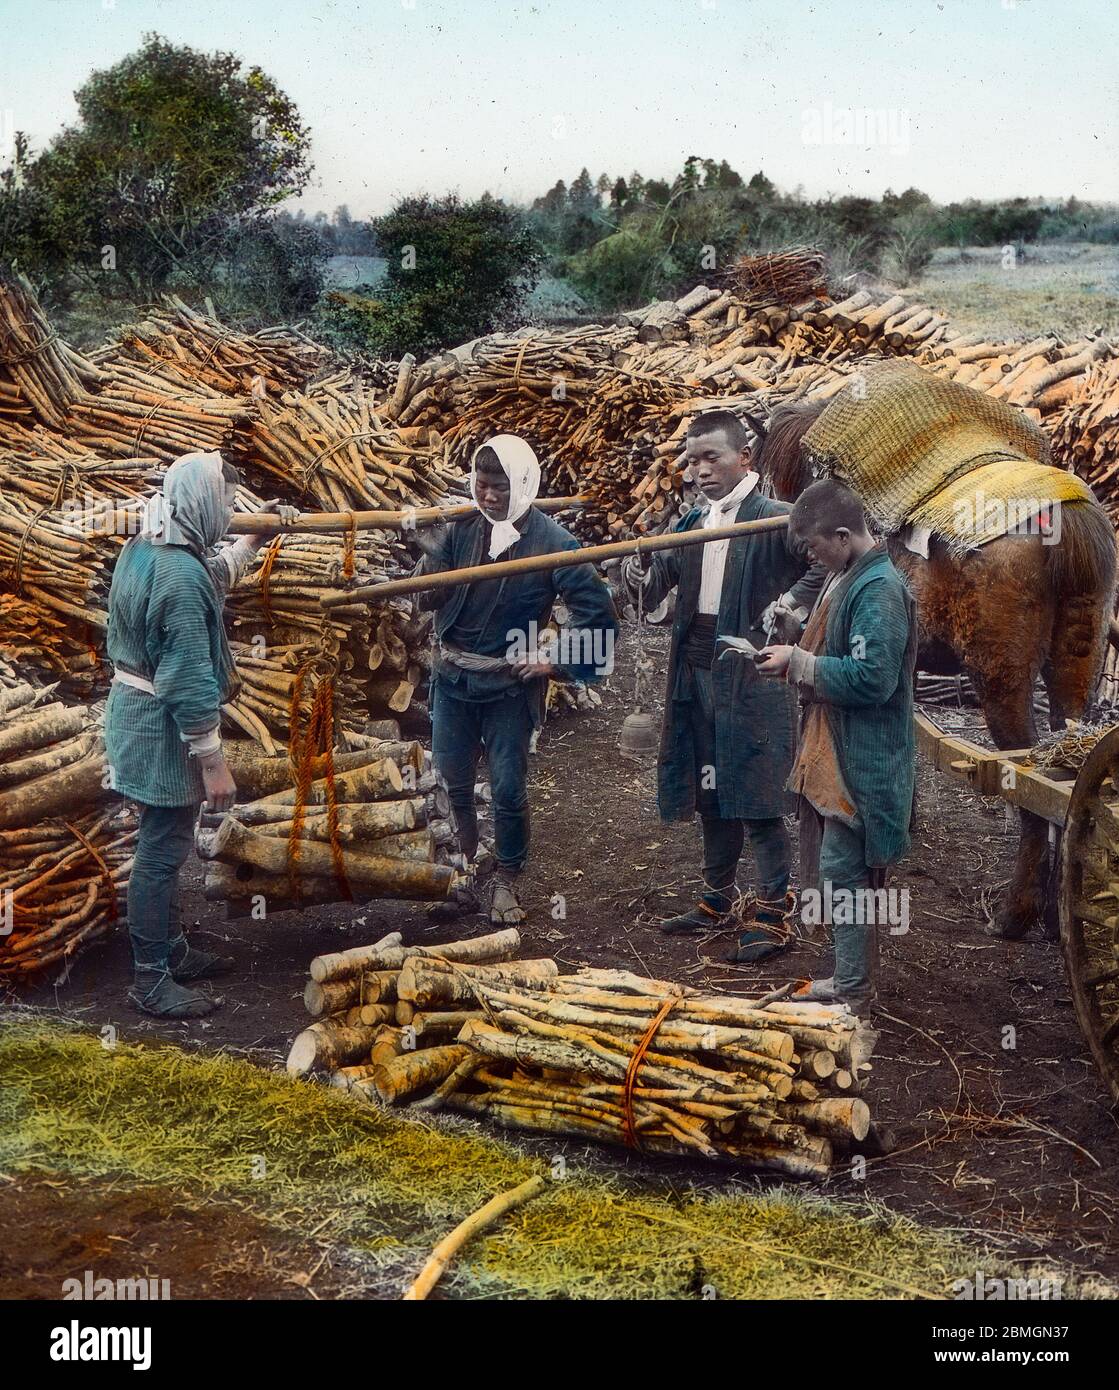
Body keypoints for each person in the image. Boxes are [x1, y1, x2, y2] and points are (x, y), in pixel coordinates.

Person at [623, 410, 826, 961]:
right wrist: (641, 573)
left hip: (753, 675)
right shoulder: (692, 523)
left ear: (746, 458)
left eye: (712, 457)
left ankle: (775, 909)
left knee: (756, 792)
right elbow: (659, 576)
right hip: (693, 671)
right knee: (708, 787)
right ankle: (717, 897)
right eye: (691, 460)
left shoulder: (776, 518)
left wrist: (789, 606)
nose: (699, 469)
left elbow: (825, 562)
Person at [104, 452, 296, 1019]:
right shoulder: (178, 574)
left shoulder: (152, 544)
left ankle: (170, 949)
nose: (227, 516)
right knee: (161, 851)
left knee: (167, 841)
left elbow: (211, 576)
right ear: (202, 504)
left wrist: (254, 540)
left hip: (136, 714)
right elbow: (186, 679)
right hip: (159, 724)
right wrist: (213, 760)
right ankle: (150, 978)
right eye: (225, 505)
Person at [416, 434, 618, 925]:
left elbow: (600, 617)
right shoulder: (461, 529)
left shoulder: (555, 544)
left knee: (506, 787)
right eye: (481, 486)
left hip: (509, 686)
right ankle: (464, 870)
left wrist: (554, 660)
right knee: (452, 780)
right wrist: (429, 559)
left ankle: (506, 877)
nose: (488, 498)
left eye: (500, 489)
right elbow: (425, 599)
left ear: (524, 484)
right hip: (453, 679)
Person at [756, 477, 917, 1014]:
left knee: (848, 870)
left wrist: (798, 663)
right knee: (840, 869)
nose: (810, 557)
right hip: (839, 745)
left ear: (843, 535)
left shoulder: (879, 590)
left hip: (864, 755)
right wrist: (797, 643)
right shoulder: (847, 574)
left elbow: (874, 678)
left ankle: (853, 994)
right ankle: (848, 980)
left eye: (814, 546)